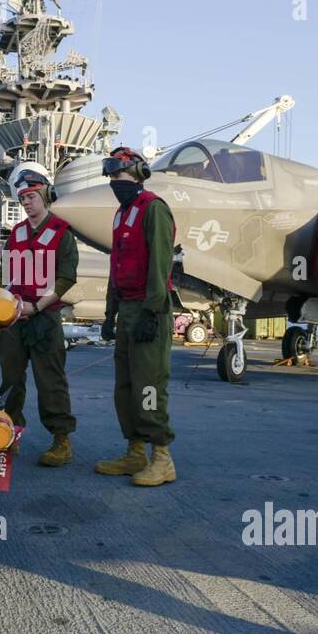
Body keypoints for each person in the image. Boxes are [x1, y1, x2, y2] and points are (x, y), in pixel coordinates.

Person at [94, 146, 177, 486]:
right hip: (127, 308)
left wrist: (152, 311)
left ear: (139, 173)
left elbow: (160, 263)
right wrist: (110, 313)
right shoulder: (121, 214)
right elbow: (117, 267)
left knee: (148, 387)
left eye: (120, 173)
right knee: (125, 388)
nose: (115, 180)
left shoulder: (152, 209)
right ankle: (134, 453)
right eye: (111, 175)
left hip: (148, 309)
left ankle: (162, 458)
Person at [0, 162, 78, 465]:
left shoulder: (61, 233)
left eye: (31, 196)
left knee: (51, 381)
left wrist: (38, 306)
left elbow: (66, 278)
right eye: (23, 199)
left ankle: (61, 441)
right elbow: (5, 276)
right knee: (11, 380)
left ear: (45, 194)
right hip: (14, 319)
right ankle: (10, 435)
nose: (27, 202)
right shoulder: (16, 234)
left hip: (44, 319)